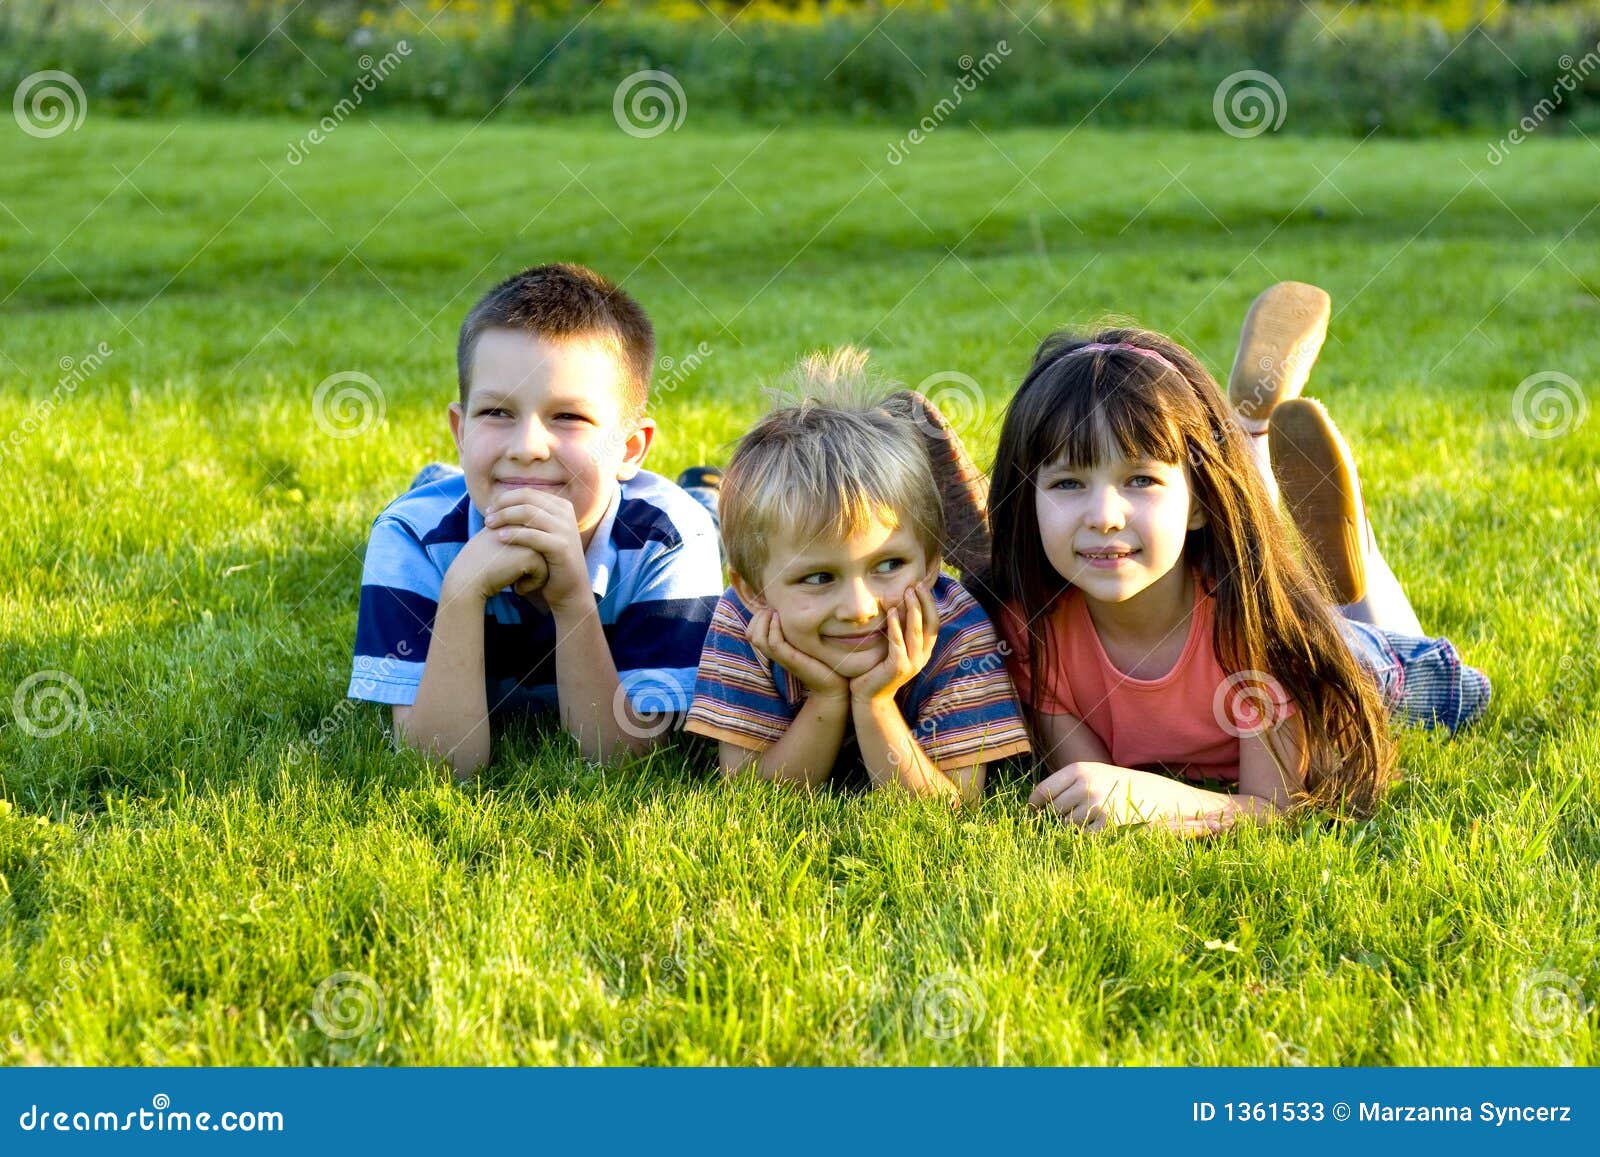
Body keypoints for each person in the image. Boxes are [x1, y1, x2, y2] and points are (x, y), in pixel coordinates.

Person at [985, 307, 1488, 833]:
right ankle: (1253, 449)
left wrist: (1165, 803)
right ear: (1027, 500)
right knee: (1317, 609)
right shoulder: (1030, 635)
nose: (1105, 517)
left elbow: (1277, 811)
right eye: (1067, 484)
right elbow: (1096, 784)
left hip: (1355, 664)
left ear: (1200, 502)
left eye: (1140, 480)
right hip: (1264, 598)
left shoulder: (1255, 627)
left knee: (1415, 671)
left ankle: (1349, 538)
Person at [347, 263, 723, 776]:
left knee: (716, 520)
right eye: (496, 414)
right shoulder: (410, 536)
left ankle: (706, 490)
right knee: (438, 501)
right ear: (460, 430)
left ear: (629, 448)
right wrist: (460, 593)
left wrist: (571, 601)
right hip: (451, 504)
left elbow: (627, 759)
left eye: (568, 417)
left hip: (671, 514)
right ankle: (440, 478)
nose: (527, 447)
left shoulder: (671, 541)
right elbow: (437, 765)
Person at [684, 349, 1031, 804]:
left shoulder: (957, 632)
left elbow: (953, 808)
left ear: (930, 565)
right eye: (818, 577)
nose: (860, 608)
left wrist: (875, 702)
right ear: (753, 591)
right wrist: (826, 698)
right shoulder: (743, 623)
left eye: (888, 566)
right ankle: (702, 496)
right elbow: (753, 797)